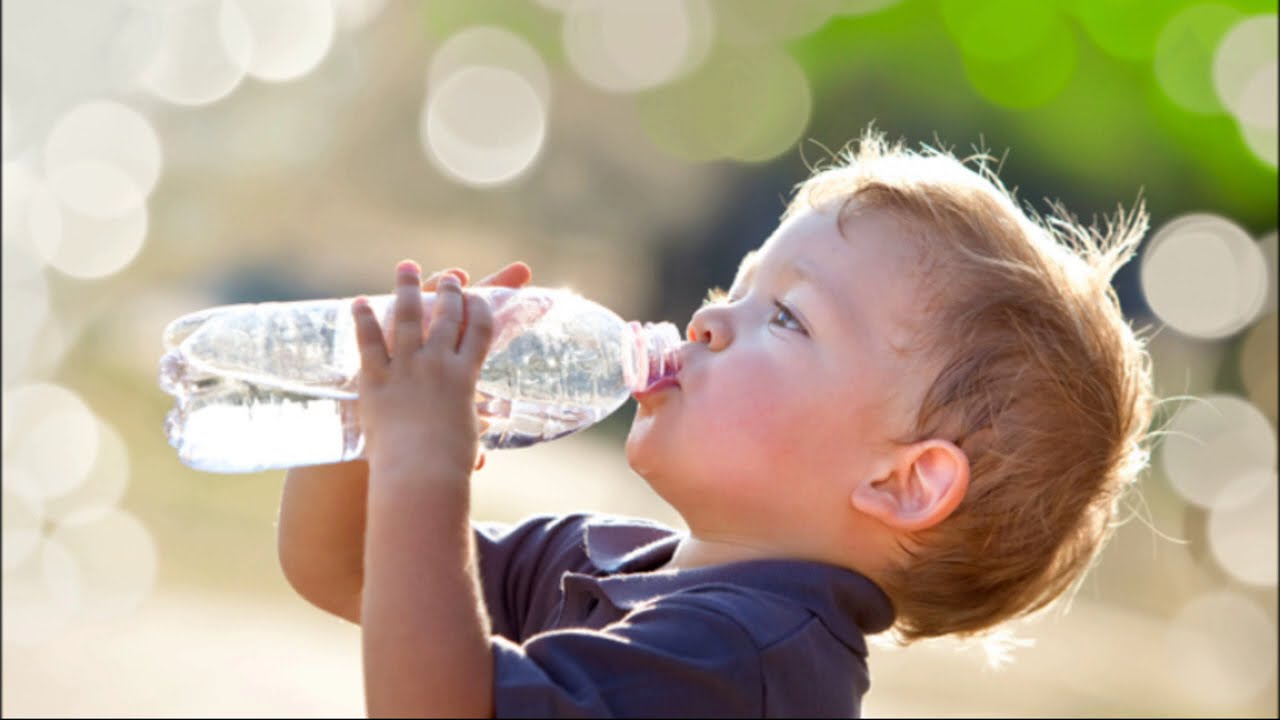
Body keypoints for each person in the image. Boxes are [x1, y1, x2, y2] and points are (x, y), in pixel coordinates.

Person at [275, 130, 1155, 718]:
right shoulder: (607, 558)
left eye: (787, 318)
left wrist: (424, 465)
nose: (705, 321)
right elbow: (346, 564)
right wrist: (365, 412)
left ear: (902, 480)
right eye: (734, 287)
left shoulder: (745, 663)